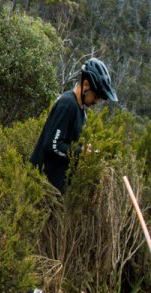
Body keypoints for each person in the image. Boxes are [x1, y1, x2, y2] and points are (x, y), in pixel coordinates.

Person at [30, 57, 117, 193]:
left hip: (56, 189)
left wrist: (85, 151)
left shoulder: (81, 110)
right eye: (96, 96)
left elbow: (68, 144)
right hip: (41, 187)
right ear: (86, 84)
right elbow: (53, 145)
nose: (96, 101)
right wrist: (80, 152)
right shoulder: (67, 104)